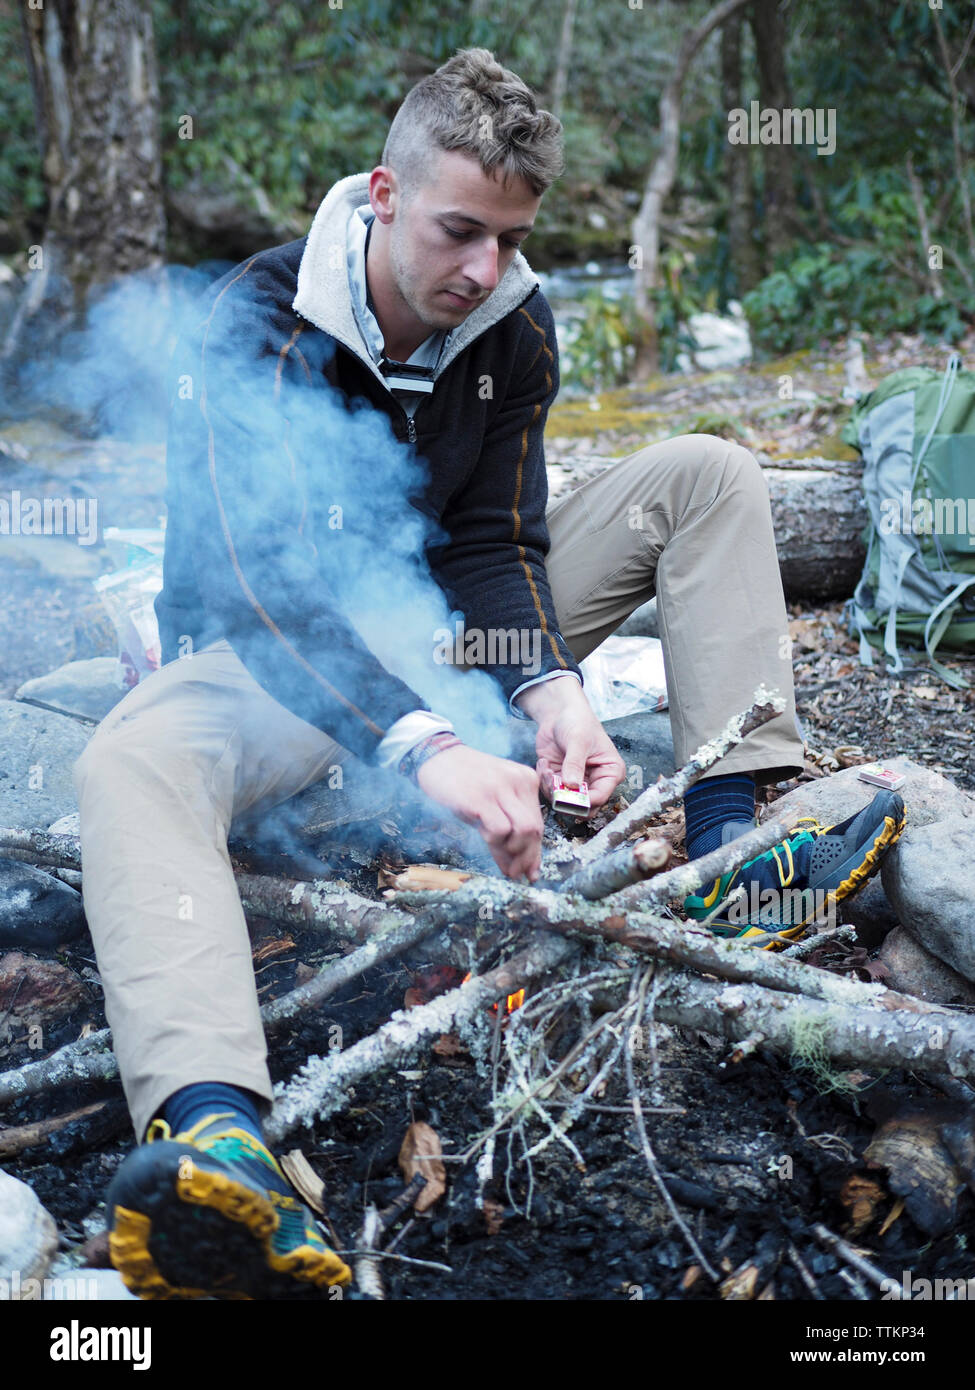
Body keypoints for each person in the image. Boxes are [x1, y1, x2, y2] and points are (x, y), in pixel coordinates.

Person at [73, 47, 904, 1300]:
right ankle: (215, 1135)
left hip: (449, 640)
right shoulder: (252, 320)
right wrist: (431, 745)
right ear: (386, 193)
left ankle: (738, 851)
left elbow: (489, 543)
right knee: (130, 756)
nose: (484, 270)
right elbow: (263, 590)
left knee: (706, 474)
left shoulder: (508, 318)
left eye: (511, 240)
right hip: (285, 659)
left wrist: (546, 689)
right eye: (461, 231)